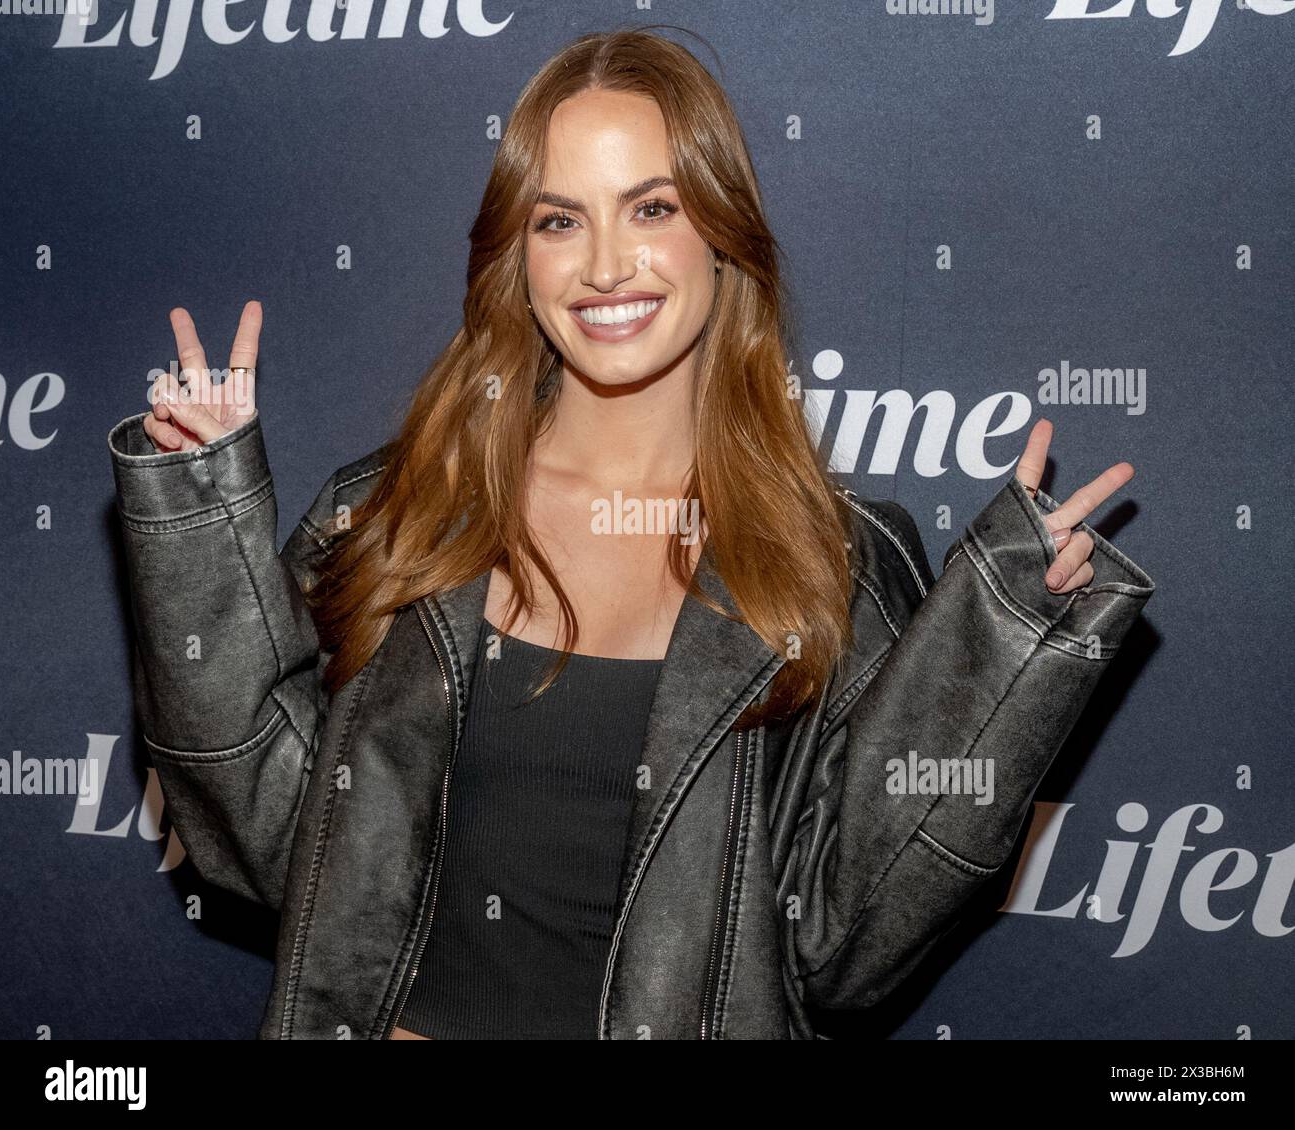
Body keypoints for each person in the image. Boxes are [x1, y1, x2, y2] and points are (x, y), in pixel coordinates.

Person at [107, 26, 1155, 1040]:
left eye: (649, 207)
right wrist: (202, 524)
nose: (605, 264)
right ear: (516, 254)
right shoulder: (398, 512)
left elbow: (845, 954)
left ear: (720, 231)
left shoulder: (831, 561)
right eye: (558, 219)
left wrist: (1002, 651)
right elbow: (258, 844)